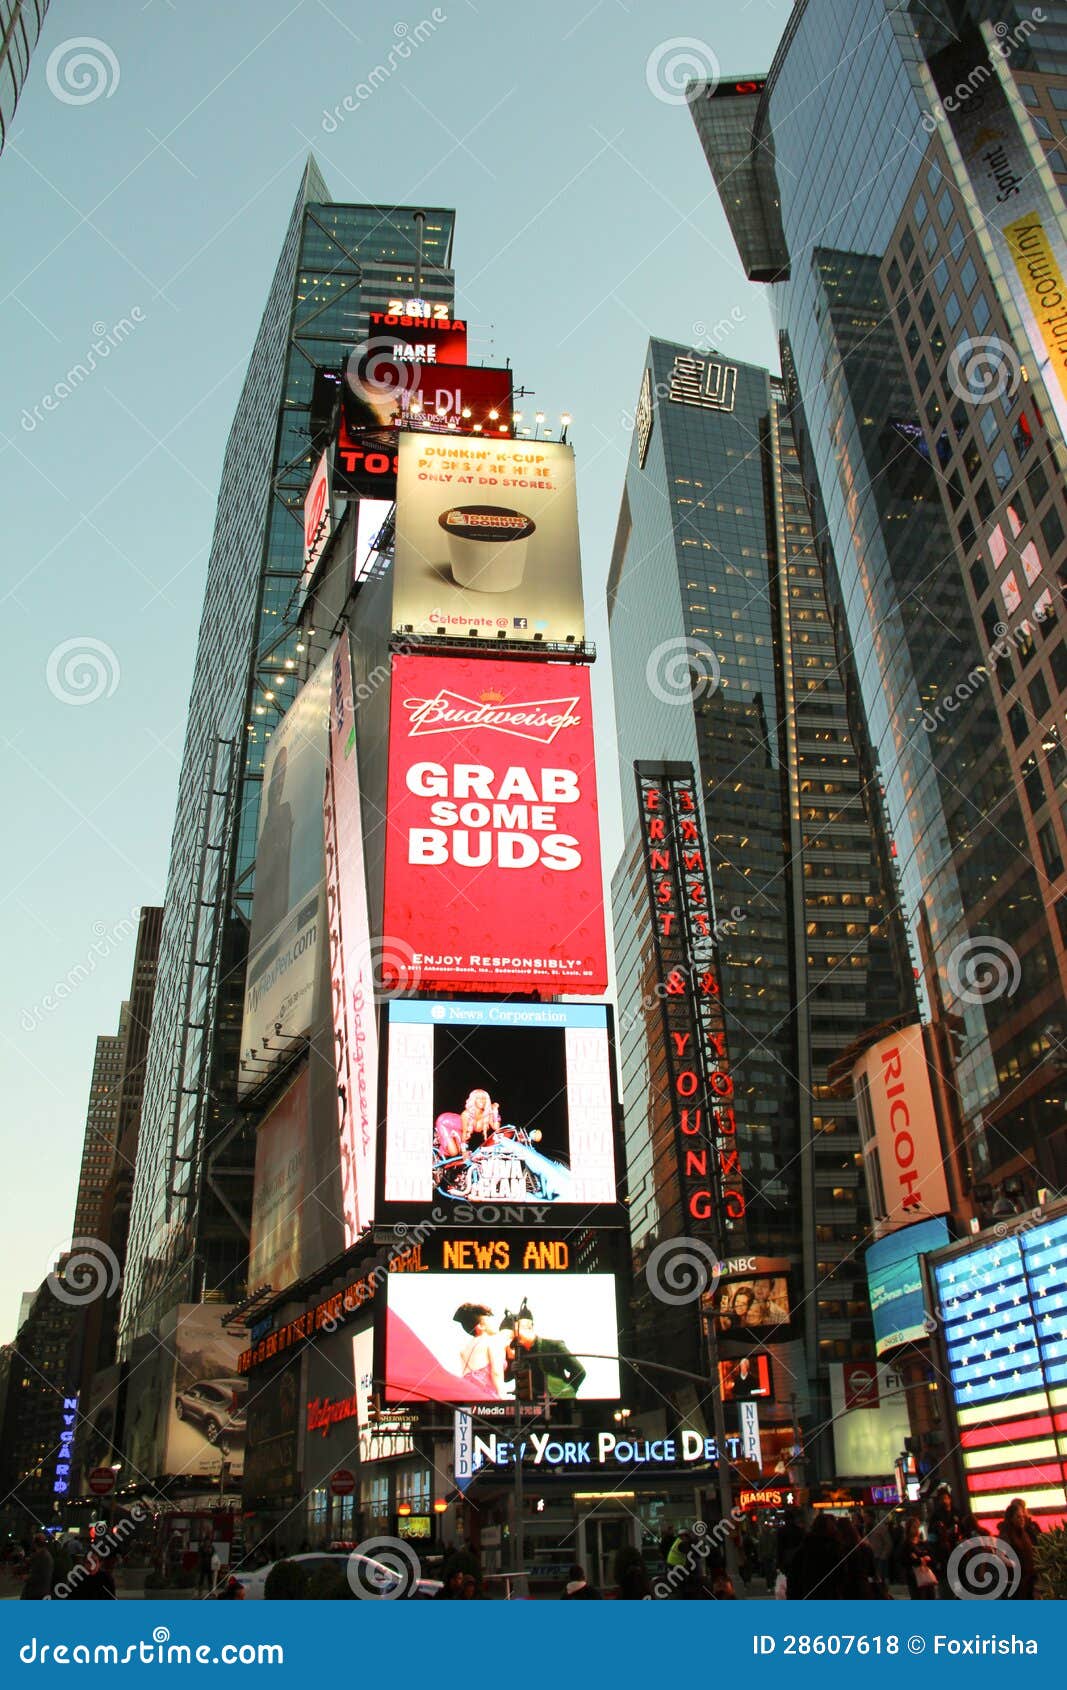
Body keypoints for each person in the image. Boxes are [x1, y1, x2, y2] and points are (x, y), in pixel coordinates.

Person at [505, 1301, 586, 1398]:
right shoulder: (518, 1352)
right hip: (529, 1403)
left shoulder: (553, 1346)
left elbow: (580, 1371)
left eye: (518, 1333)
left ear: (529, 1328)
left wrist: (565, 1393)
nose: (515, 1337)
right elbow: (506, 1378)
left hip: (556, 1402)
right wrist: (512, 1367)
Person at [453, 1303, 509, 1397]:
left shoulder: (464, 1349)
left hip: (465, 1395)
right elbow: (497, 1373)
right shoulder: (493, 1341)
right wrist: (502, 1397)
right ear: (480, 1326)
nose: (496, 1323)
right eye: (490, 1319)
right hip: (485, 1396)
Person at [789, 1513, 843, 1599]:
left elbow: (794, 1577)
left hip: (810, 1592)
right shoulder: (834, 1547)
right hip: (830, 1593)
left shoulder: (805, 1547)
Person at [999, 1497, 1042, 1599]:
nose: (1022, 1519)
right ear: (1011, 1519)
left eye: (1022, 1516)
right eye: (1018, 1517)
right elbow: (1000, 1554)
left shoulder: (1026, 1532)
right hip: (1017, 1579)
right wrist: (1014, 1564)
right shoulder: (1007, 1533)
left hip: (1030, 1576)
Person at [835, 1519, 881, 1599]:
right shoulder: (864, 1548)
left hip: (844, 1590)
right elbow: (873, 1573)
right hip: (863, 1589)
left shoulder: (838, 1549)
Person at [901, 1517, 937, 1599]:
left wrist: (925, 1559)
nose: (916, 1529)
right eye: (914, 1527)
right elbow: (904, 1560)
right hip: (914, 1578)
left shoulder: (923, 1543)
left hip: (926, 1576)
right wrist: (919, 1560)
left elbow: (931, 1557)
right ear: (909, 1529)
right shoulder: (906, 1545)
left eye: (917, 1527)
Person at [20, 1534, 53, 1600]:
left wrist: (27, 1577)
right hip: (38, 1591)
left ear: (35, 1543)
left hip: (37, 1592)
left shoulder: (44, 1557)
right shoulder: (41, 1554)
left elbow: (43, 1576)